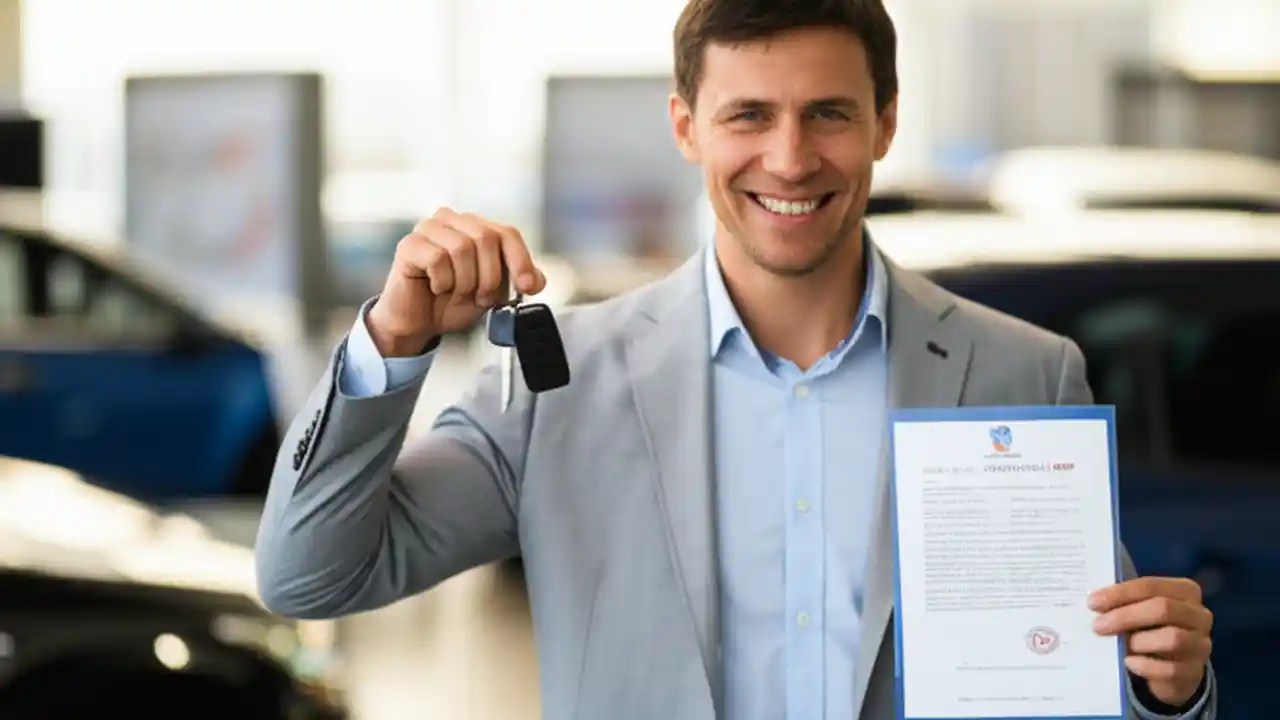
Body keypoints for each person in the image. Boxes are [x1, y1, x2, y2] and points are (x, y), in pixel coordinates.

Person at [254, 1, 1217, 717]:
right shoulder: (562, 384)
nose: (790, 159)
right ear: (687, 127)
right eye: (749, 115)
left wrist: (1169, 689)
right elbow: (309, 581)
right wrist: (393, 338)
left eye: (829, 114)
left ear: (885, 121)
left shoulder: (1023, 372)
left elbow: (1085, 676)